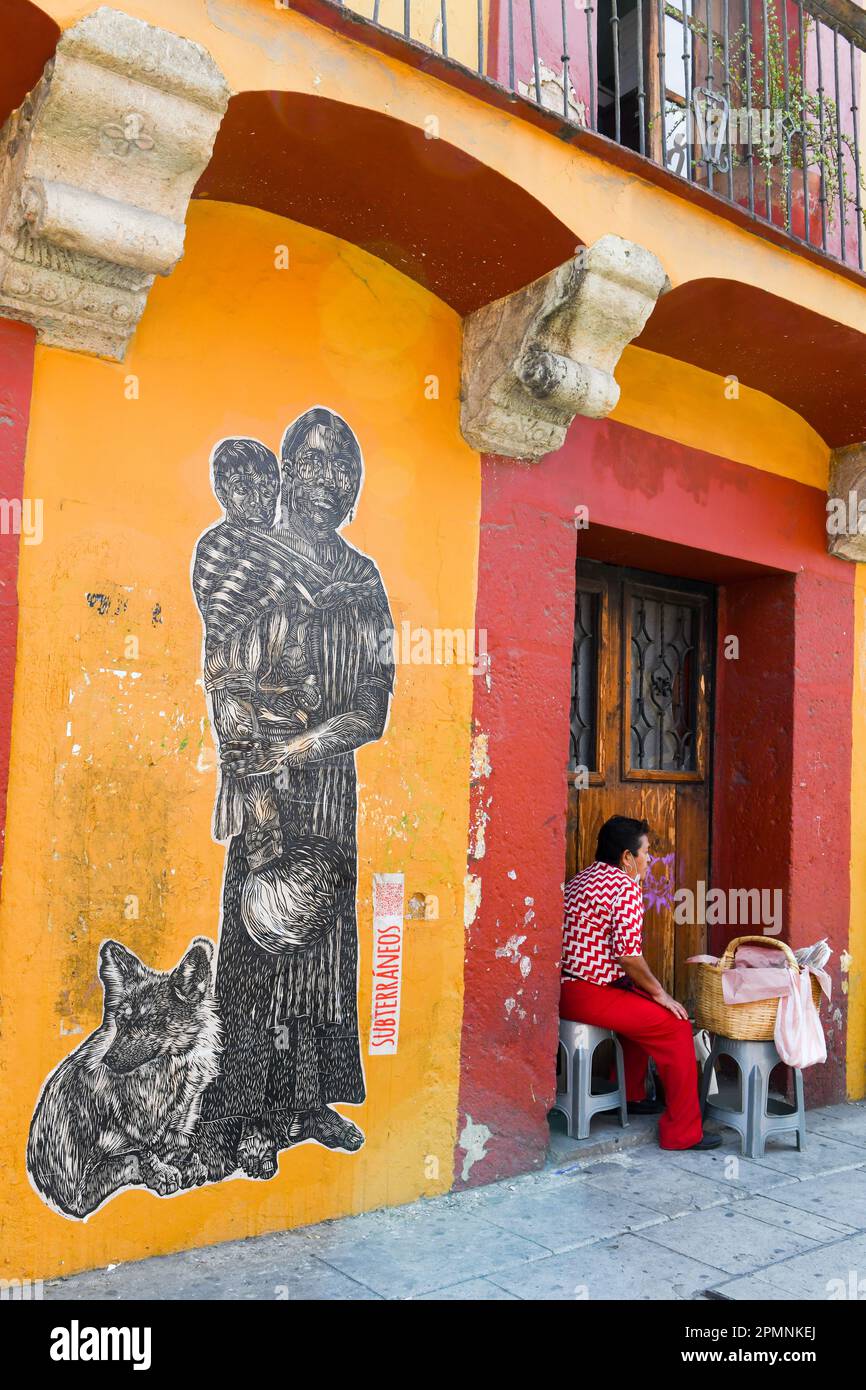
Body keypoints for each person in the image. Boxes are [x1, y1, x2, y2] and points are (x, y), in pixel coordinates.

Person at [192, 411, 394, 1182]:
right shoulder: (249, 561)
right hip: (265, 788)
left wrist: (304, 746)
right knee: (258, 945)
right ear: (284, 473)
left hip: (328, 783)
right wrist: (259, 758)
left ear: (353, 488)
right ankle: (245, 1113)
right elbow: (226, 673)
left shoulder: (363, 578)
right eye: (310, 462)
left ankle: (308, 1101)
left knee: (323, 947)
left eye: (341, 466)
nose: (326, 478)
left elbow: (373, 705)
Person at [559, 815, 720, 1151]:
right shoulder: (624, 887)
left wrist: (650, 995)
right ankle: (683, 1132)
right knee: (674, 1025)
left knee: (644, 1009)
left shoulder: (582, 878)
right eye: (646, 851)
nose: (651, 858)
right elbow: (628, 957)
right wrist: (660, 993)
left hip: (569, 988)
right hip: (589, 992)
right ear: (626, 857)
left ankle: (630, 1095)